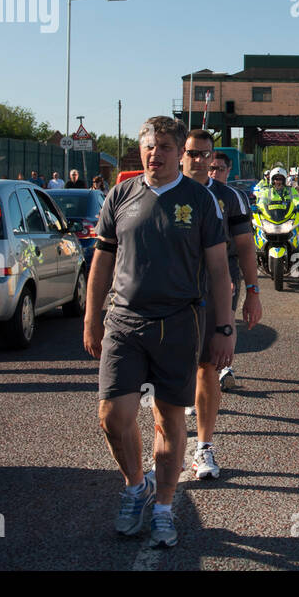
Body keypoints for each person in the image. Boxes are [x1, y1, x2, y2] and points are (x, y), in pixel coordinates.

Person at [84, 116, 232, 549]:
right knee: (113, 416)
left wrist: (224, 327)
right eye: (149, 146)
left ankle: (164, 507)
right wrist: (93, 317)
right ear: (141, 149)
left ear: (178, 152)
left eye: (166, 147)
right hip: (124, 321)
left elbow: (219, 270)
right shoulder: (120, 195)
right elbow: (102, 262)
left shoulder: (200, 201)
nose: (156, 154)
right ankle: (135, 487)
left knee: (169, 420)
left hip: (179, 323)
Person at [182, 132, 262, 478]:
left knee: (207, 365)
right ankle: (167, 450)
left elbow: (245, 246)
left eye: (205, 155)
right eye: (192, 154)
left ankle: (203, 447)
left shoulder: (229, 197)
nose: (199, 162)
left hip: (218, 284)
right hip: (173, 289)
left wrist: (253, 291)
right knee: (167, 368)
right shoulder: (163, 193)